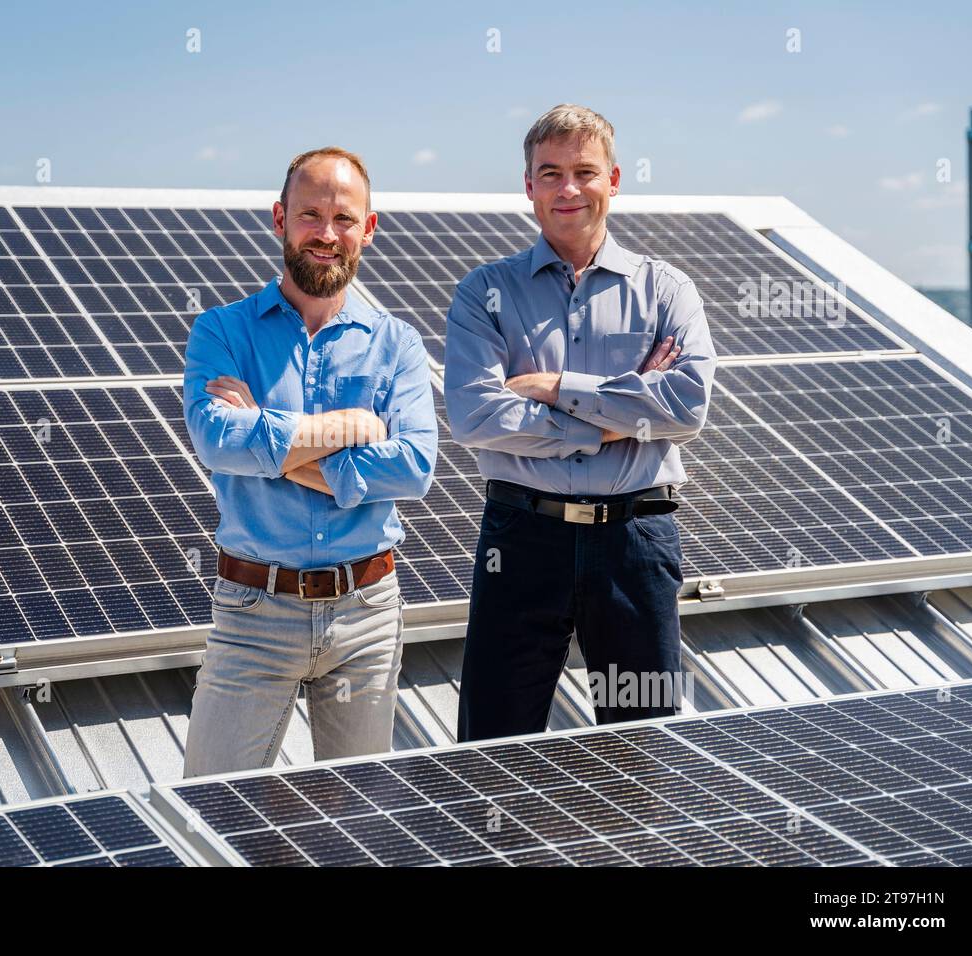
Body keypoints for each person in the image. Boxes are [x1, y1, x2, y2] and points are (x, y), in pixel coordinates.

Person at [444, 104, 717, 739]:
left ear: (614, 180)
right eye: (550, 172)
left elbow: (685, 405)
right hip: (520, 540)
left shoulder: (666, 289)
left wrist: (556, 388)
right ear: (529, 186)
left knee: (644, 742)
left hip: (636, 543)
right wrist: (615, 417)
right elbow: (478, 414)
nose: (568, 188)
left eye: (584, 171)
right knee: (492, 743)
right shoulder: (485, 293)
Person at [181, 147, 437, 777]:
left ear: (368, 230)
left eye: (344, 218)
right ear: (280, 219)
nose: (327, 234)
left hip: (368, 616)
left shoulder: (396, 342)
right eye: (310, 215)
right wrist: (349, 429)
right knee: (210, 804)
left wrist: (272, 452)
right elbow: (215, 440)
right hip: (252, 615)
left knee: (358, 819)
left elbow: (414, 466)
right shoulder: (222, 331)